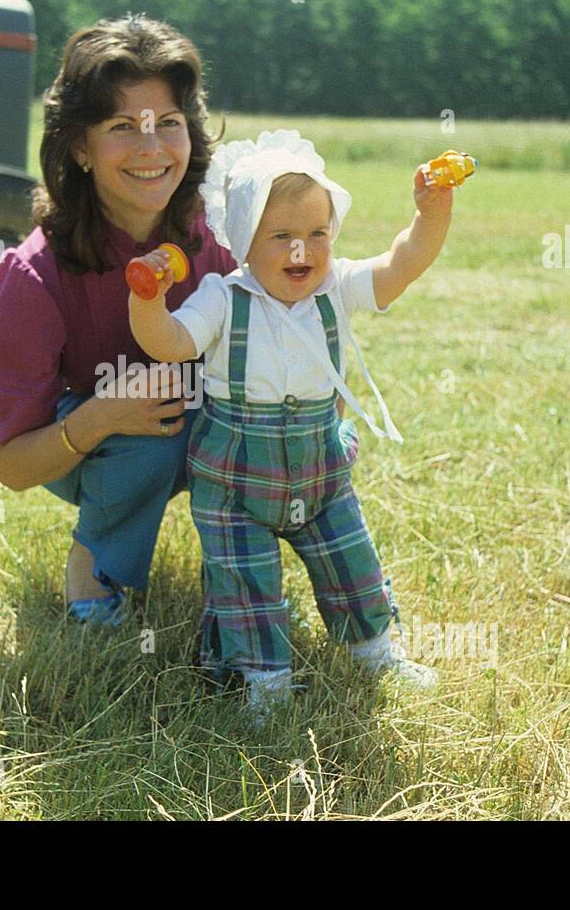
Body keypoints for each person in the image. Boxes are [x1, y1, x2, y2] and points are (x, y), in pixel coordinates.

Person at [128, 129, 457, 721]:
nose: (300, 250)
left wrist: (429, 214)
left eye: (316, 234)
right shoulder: (221, 298)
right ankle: (266, 684)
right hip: (234, 484)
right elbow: (170, 343)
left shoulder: (337, 289)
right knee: (245, 584)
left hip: (320, 473)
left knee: (352, 564)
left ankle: (374, 651)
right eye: (280, 236)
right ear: (242, 241)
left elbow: (403, 264)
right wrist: (148, 301)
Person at [0, 14, 236, 626]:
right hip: (83, 445)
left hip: (204, 420)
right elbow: (13, 467)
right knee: (153, 430)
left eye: (168, 124)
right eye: (123, 127)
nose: (151, 149)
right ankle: (94, 565)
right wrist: (99, 416)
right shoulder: (32, 275)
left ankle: (238, 579)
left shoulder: (221, 233)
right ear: (79, 147)